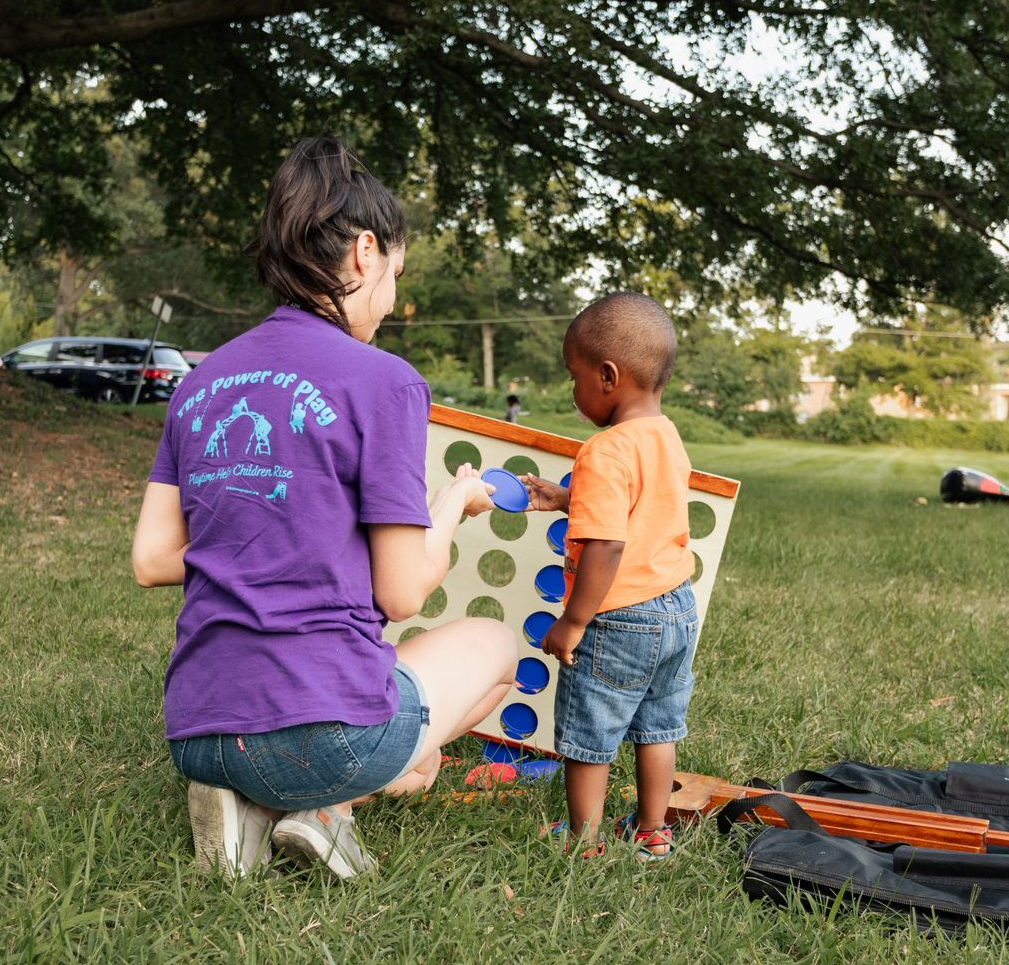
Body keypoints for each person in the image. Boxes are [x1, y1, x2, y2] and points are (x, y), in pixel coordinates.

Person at [132, 136, 518, 881]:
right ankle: (326, 809)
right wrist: (453, 501)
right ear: (366, 253)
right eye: (395, 275)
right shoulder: (384, 379)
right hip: (324, 736)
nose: (393, 300)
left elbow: (152, 558)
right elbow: (401, 592)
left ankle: (247, 807)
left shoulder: (200, 379)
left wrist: (272, 530)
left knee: (411, 744)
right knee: (496, 650)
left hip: (197, 731)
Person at [521, 292, 698, 860]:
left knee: (590, 731)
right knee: (657, 727)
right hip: (676, 608)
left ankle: (584, 841)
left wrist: (573, 621)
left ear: (608, 375)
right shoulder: (665, 436)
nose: (574, 394)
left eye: (575, 378)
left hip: (619, 617)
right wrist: (565, 498)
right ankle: (652, 831)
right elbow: (639, 506)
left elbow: (608, 542)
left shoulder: (603, 449)